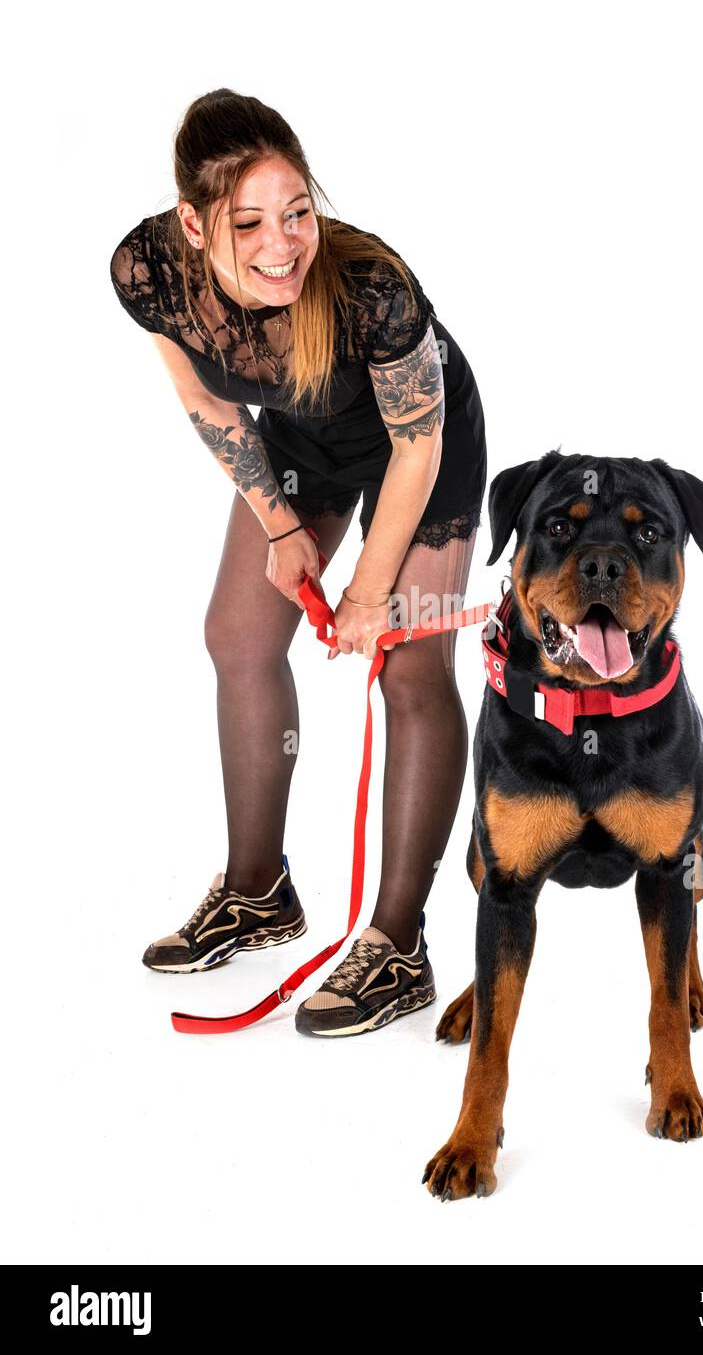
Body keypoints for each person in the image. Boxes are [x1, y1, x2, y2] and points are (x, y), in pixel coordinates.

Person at [109, 88, 487, 1037]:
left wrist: (368, 591)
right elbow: (207, 400)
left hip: (423, 445)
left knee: (409, 666)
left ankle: (398, 945)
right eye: (249, 222)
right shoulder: (146, 269)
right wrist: (283, 528)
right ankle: (258, 890)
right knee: (237, 633)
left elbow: (417, 450)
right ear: (193, 224)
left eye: (297, 211)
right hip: (304, 441)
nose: (283, 243)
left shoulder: (372, 288)